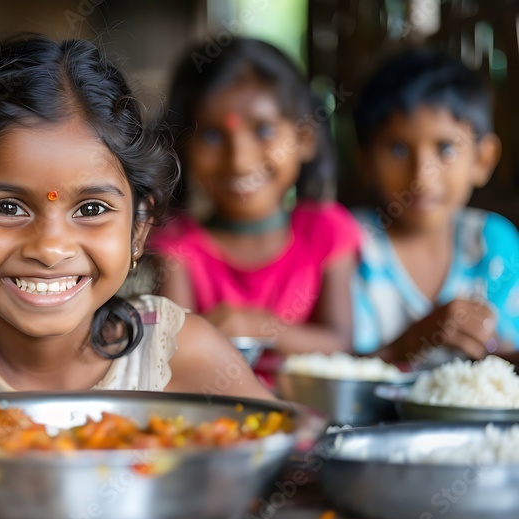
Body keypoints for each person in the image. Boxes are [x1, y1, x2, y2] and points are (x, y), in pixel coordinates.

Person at [0, 35, 273, 413]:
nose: (50, 248)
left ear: (139, 228)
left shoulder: (181, 355)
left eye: (90, 210)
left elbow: (294, 459)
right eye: (9, 208)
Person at [150, 38, 360, 356]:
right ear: (182, 148)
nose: (239, 160)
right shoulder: (177, 247)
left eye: (263, 130)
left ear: (304, 138)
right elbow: (175, 353)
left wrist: (259, 328)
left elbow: (340, 343)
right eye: (211, 135)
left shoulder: (327, 231)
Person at [350, 48, 519, 367]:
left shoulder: (493, 244)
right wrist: (411, 341)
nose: (421, 178)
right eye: (398, 149)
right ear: (365, 162)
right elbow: (330, 373)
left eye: (445, 148)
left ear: (482, 160)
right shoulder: (348, 244)